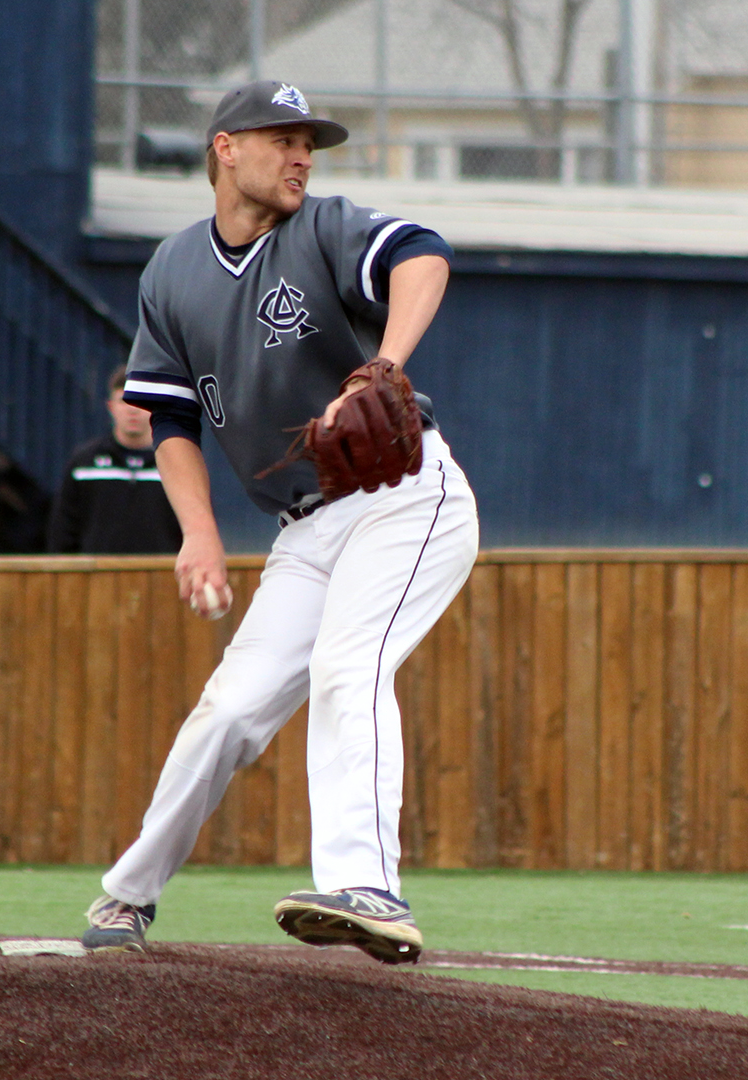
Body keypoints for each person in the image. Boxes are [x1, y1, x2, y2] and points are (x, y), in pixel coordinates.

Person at [79, 81, 478, 964]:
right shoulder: (172, 270)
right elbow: (169, 417)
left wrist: (384, 365)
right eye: (283, 139)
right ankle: (126, 896)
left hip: (405, 497)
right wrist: (200, 533)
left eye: (309, 144)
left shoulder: (322, 228)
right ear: (225, 148)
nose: (302, 157)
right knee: (227, 712)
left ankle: (368, 885)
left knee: (348, 664)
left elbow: (424, 255)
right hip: (304, 528)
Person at [46, 364, 184, 554]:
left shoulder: (176, 465)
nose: (133, 410)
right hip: (97, 572)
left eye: (142, 402)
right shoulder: (84, 465)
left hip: (160, 571)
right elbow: (62, 532)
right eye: (124, 401)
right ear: (110, 406)